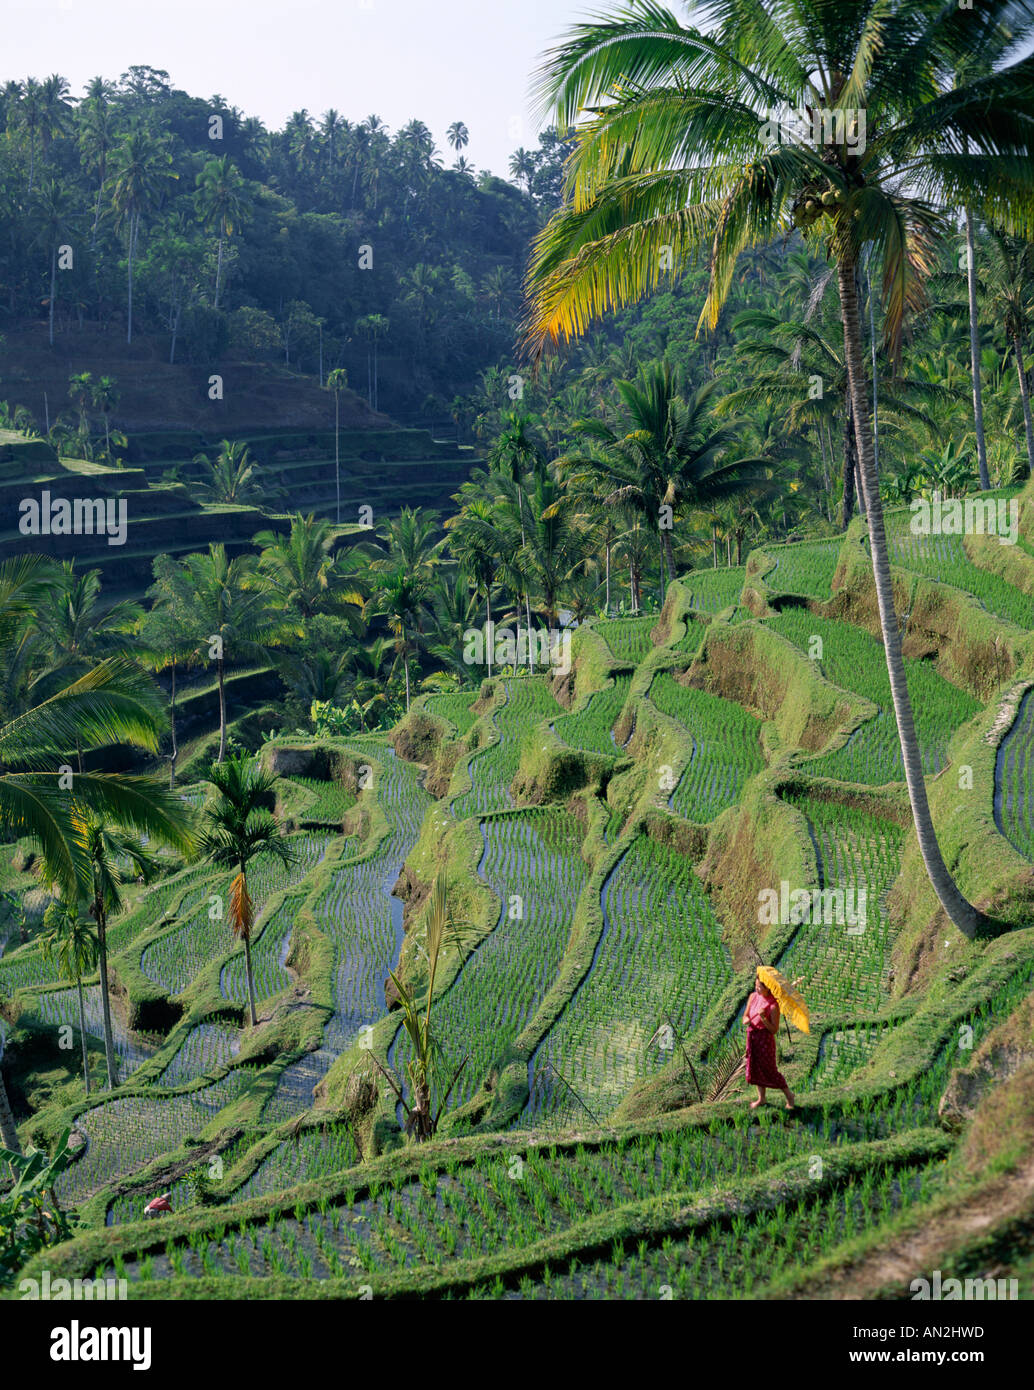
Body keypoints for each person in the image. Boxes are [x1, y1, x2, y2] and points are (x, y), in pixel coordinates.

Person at [742, 974, 795, 1111]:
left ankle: (789, 1096)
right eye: (756, 986)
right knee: (756, 1068)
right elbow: (745, 1016)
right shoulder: (753, 997)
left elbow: (774, 1030)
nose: (757, 989)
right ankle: (762, 1098)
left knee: (770, 1070)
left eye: (759, 987)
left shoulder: (773, 1005)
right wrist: (747, 1020)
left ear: (768, 988)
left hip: (765, 1041)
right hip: (753, 1038)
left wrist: (764, 1019)